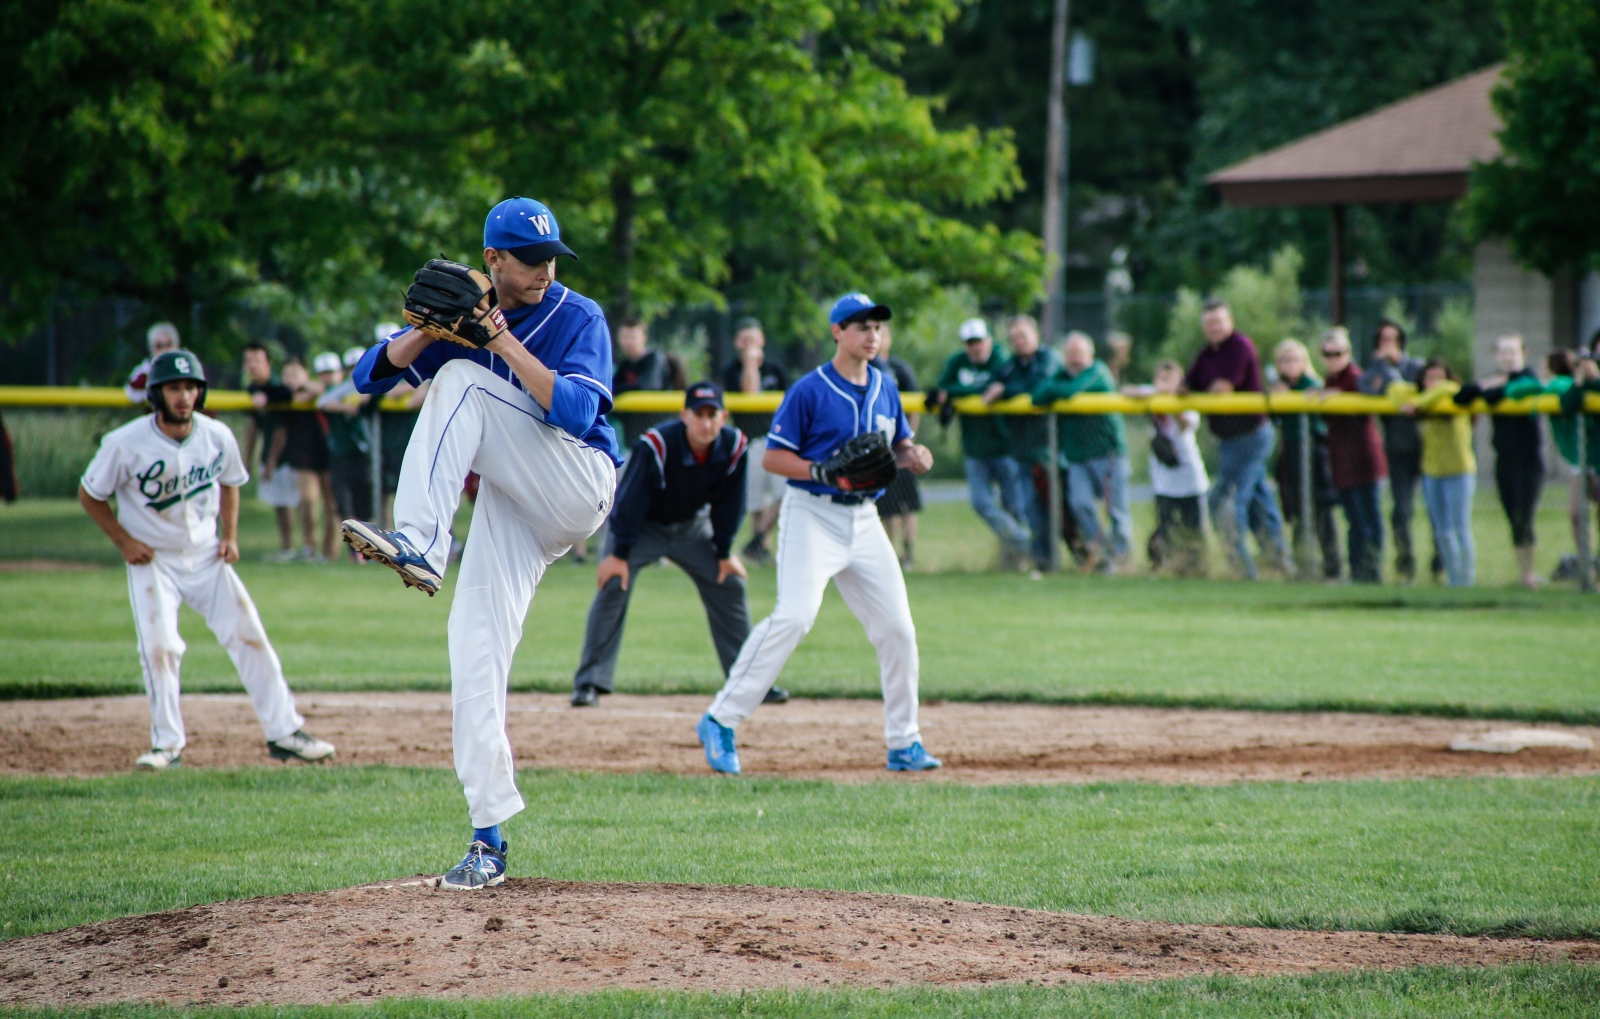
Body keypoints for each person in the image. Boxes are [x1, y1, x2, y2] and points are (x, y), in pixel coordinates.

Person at [342, 196, 621, 890]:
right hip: (511, 500)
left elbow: (581, 410)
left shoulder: (577, 314)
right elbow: (365, 378)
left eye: (553, 256)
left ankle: (422, 541)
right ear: (492, 259)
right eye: (530, 260)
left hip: (575, 478)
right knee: (473, 650)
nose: (546, 269)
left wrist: (493, 338)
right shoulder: (467, 307)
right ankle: (487, 838)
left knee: (463, 380)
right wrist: (425, 333)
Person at [696, 292, 939, 776]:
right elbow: (773, 458)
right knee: (795, 616)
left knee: (898, 628)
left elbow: (900, 445)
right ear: (837, 333)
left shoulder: (886, 386)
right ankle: (720, 719)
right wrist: (822, 471)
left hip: (864, 520)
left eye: (877, 327)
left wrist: (914, 454)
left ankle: (904, 741)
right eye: (861, 326)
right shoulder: (810, 389)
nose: (872, 335)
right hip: (812, 515)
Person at [78, 350, 335, 770]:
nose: (184, 395)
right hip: (153, 560)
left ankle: (285, 732)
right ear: (156, 394)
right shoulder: (124, 443)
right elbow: (90, 494)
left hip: (206, 556)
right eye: (174, 388)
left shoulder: (216, 435)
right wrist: (124, 542)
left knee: (252, 637)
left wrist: (230, 535)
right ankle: (167, 745)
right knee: (160, 648)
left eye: (191, 387)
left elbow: (231, 482)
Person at [571, 382, 787, 708]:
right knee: (613, 584)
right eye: (698, 414)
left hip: (691, 529)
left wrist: (725, 552)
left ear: (724, 416)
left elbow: (731, 505)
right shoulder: (657, 444)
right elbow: (629, 504)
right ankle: (589, 683)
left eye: (712, 414)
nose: (705, 422)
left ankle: (750, 683)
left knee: (729, 583)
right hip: (640, 528)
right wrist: (618, 555)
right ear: (684, 415)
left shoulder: (734, 445)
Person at [1185, 299, 1291, 579]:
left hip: (1251, 436)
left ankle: (1243, 568)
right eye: (1209, 323)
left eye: (1218, 321)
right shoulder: (1206, 354)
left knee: (1227, 501)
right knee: (1259, 503)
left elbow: (1222, 389)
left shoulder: (1239, 346)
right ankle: (1282, 563)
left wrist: (1198, 393)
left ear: (1230, 321)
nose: (1214, 328)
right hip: (1228, 440)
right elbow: (1186, 385)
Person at [934, 318, 1030, 568]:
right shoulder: (958, 361)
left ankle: (1015, 560)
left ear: (989, 339)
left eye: (978, 341)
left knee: (1014, 505)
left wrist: (959, 391)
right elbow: (943, 387)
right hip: (975, 446)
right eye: (970, 342)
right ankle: (1023, 541)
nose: (975, 347)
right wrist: (964, 390)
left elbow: (993, 384)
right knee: (980, 502)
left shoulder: (1001, 357)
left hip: (1005, 444)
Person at [1033, 331, 1131, 573]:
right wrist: (1056, 386)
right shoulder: (1062, 375)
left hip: (1108, 453)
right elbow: (1038, 396)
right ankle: (1107, 555)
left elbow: (1071, 391)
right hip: (1077, 456)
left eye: (1079, 353)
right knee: (1079, 504)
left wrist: (1055, 389)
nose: (1075, 358)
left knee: (1116, 510)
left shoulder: (1097, 371)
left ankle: (1123, 560)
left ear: (1091, 354)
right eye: (1070, 353)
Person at [1458, 335, 1543, 589]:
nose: (1508, 357)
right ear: (1496, 355)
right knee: (1512, 516)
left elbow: (1501, 393)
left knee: (1524, 515)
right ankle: (1522, 573)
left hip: (1528, 461)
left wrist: (1492, 387)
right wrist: (1488, 385)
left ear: (1523, 353)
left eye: (1512, 352)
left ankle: (1529, 573)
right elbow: (1462, 396)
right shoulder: (1493, 379)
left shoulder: (1528, 378)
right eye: (1503, 352)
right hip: (1504, 459)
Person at [986, 314, 1063, 574]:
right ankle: (1043, 561)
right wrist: (998, 386)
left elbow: (1038, 385)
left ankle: (1076, 557)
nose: (1019, 342)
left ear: (1036, 335)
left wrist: (1005, 391)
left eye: (1023, 336)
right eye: (1014, 338)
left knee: (1061, 506)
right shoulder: (1010, 366)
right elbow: (991, 383)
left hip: (1049, 447)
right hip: (1020, 448)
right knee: (1030, 507)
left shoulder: (1048, 358)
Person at [1393, 360, 1476, 587]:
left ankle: (1466, 580)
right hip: (1432, 472)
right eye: (1429, 378)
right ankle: (1452, 578)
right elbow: (1395, 390)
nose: (1435, 383)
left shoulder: (1453, 399)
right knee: (1442, 531)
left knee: (1460, 527)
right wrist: (1418, 399)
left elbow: (1449, 389)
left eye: (1440, 377)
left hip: (1459, 471)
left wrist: (1420, 400)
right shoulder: (1423, 404)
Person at [1358, 319, 1429, 582]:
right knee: (1400, 511)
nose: (1388, 345)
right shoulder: (1375, 370)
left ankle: (1440, 565)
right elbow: (1366, 389)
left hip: (1427, 447)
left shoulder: (1417, 366)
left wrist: (1389, 374)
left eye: (1393, 339)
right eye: (1382, 340)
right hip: (1398, 450)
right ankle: (1406, 564)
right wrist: (1382, 367)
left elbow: (1414, 389)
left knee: (1436, 511)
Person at [1318, 329, 1387, 583]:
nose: (1332, 358)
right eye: (1327, 353)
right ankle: (1357, 572)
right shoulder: (1329, 381)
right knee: (1354, 521)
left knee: (1370, 519)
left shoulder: (1358, 378)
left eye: (1338, 353)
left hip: (1363, 459)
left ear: (1348, 353)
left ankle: (1372, 571)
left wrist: (1340, 396)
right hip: (1341, 460)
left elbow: (1361, 397)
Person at [1269, 340, 1340, 581]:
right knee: (1296, 508)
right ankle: (1302, 564)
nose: (1290, 365)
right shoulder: (1279, 388)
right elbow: (1274, 418)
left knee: (1321, 509)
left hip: (1314, 449)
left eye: (1295, 359)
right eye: (1284, 360)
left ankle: (1332, 566)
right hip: (1291, 451)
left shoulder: (1312, 384)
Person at [721, 317, 789, 566]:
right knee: (756, 501)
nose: (749, 343)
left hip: (777, 440)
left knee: (784, 493)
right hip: (749, 442)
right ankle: (760, 550)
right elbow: (749, 393)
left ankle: (758, 539)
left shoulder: (775, 369)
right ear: (736, 342)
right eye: (744, 339)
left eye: (754, 338)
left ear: (762, 340)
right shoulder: (731, 371)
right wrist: (750, 365)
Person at [1134, 359, 1208, 575]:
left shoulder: (1185, 400)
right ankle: (1169, 564)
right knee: (1166, 525)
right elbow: (1127, 390)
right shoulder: (1153, 397)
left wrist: (1172, 403)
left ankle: (1196, 566)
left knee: (1193, 527)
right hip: (1163, 477)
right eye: (1160, 378)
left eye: (1170, 379)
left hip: (1189, 475)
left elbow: (1187, 425)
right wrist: (1154, 393)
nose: (1165, 383)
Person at [271, 358, 337, 562]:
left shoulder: (321, 390)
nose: (291, 380)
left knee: (332, 504)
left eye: (295, 374)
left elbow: (323, 389)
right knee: (308, 500)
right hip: (302, 453)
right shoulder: (282, 395)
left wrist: (305, 386)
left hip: (328, 451)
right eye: (287, 375)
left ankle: (330, 552)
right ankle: (310, 547)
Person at [872, 322, 924, 566]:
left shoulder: (898, 368)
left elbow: (915, 404)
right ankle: (888, 554)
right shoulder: (865, 368)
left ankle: (909, 552)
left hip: (899, 446)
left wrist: (908, 441)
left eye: (881, 332)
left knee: (907, 505)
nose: (876, 337)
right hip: (878, 450)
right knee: (886, 506)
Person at [241, 343, 299, 561]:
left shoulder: (277, 389)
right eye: (248, 361)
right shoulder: (252, 391)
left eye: (257, 360)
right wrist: (248, 459)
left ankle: (293, 548)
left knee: (288, 503)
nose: (252, 366)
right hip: (270, 455)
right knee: (279, 502)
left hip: (290, 456)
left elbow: (281, 430)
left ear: (268, 363)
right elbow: (252, 428)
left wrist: (272, 462)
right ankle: (287, 548)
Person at [315, 349, 374, 538]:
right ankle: (354, 550)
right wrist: (346, 407)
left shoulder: (373, 385)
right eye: (350, 367)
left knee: (364, 503)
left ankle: (370, 546)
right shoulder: (342, 390)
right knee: (344, 504)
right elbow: (323, 401)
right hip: (340, 453)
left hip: (362, 452)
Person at [611, 315, 670, 447]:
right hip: (634, 436)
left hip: (658, 433)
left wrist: (623, 391)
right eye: (625, 337)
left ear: (644, 338)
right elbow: (611, 389)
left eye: (633, 337)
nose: (629, 342)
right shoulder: (625, 365)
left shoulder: (654, 359)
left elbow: (647, 386)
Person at [124, 323, 183, 404]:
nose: (164, 350)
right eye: (159, 346)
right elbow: (131, 393)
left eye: (169, 345)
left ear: (177, 346)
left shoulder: (189, 367)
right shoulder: (144, 371)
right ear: (151, 348)